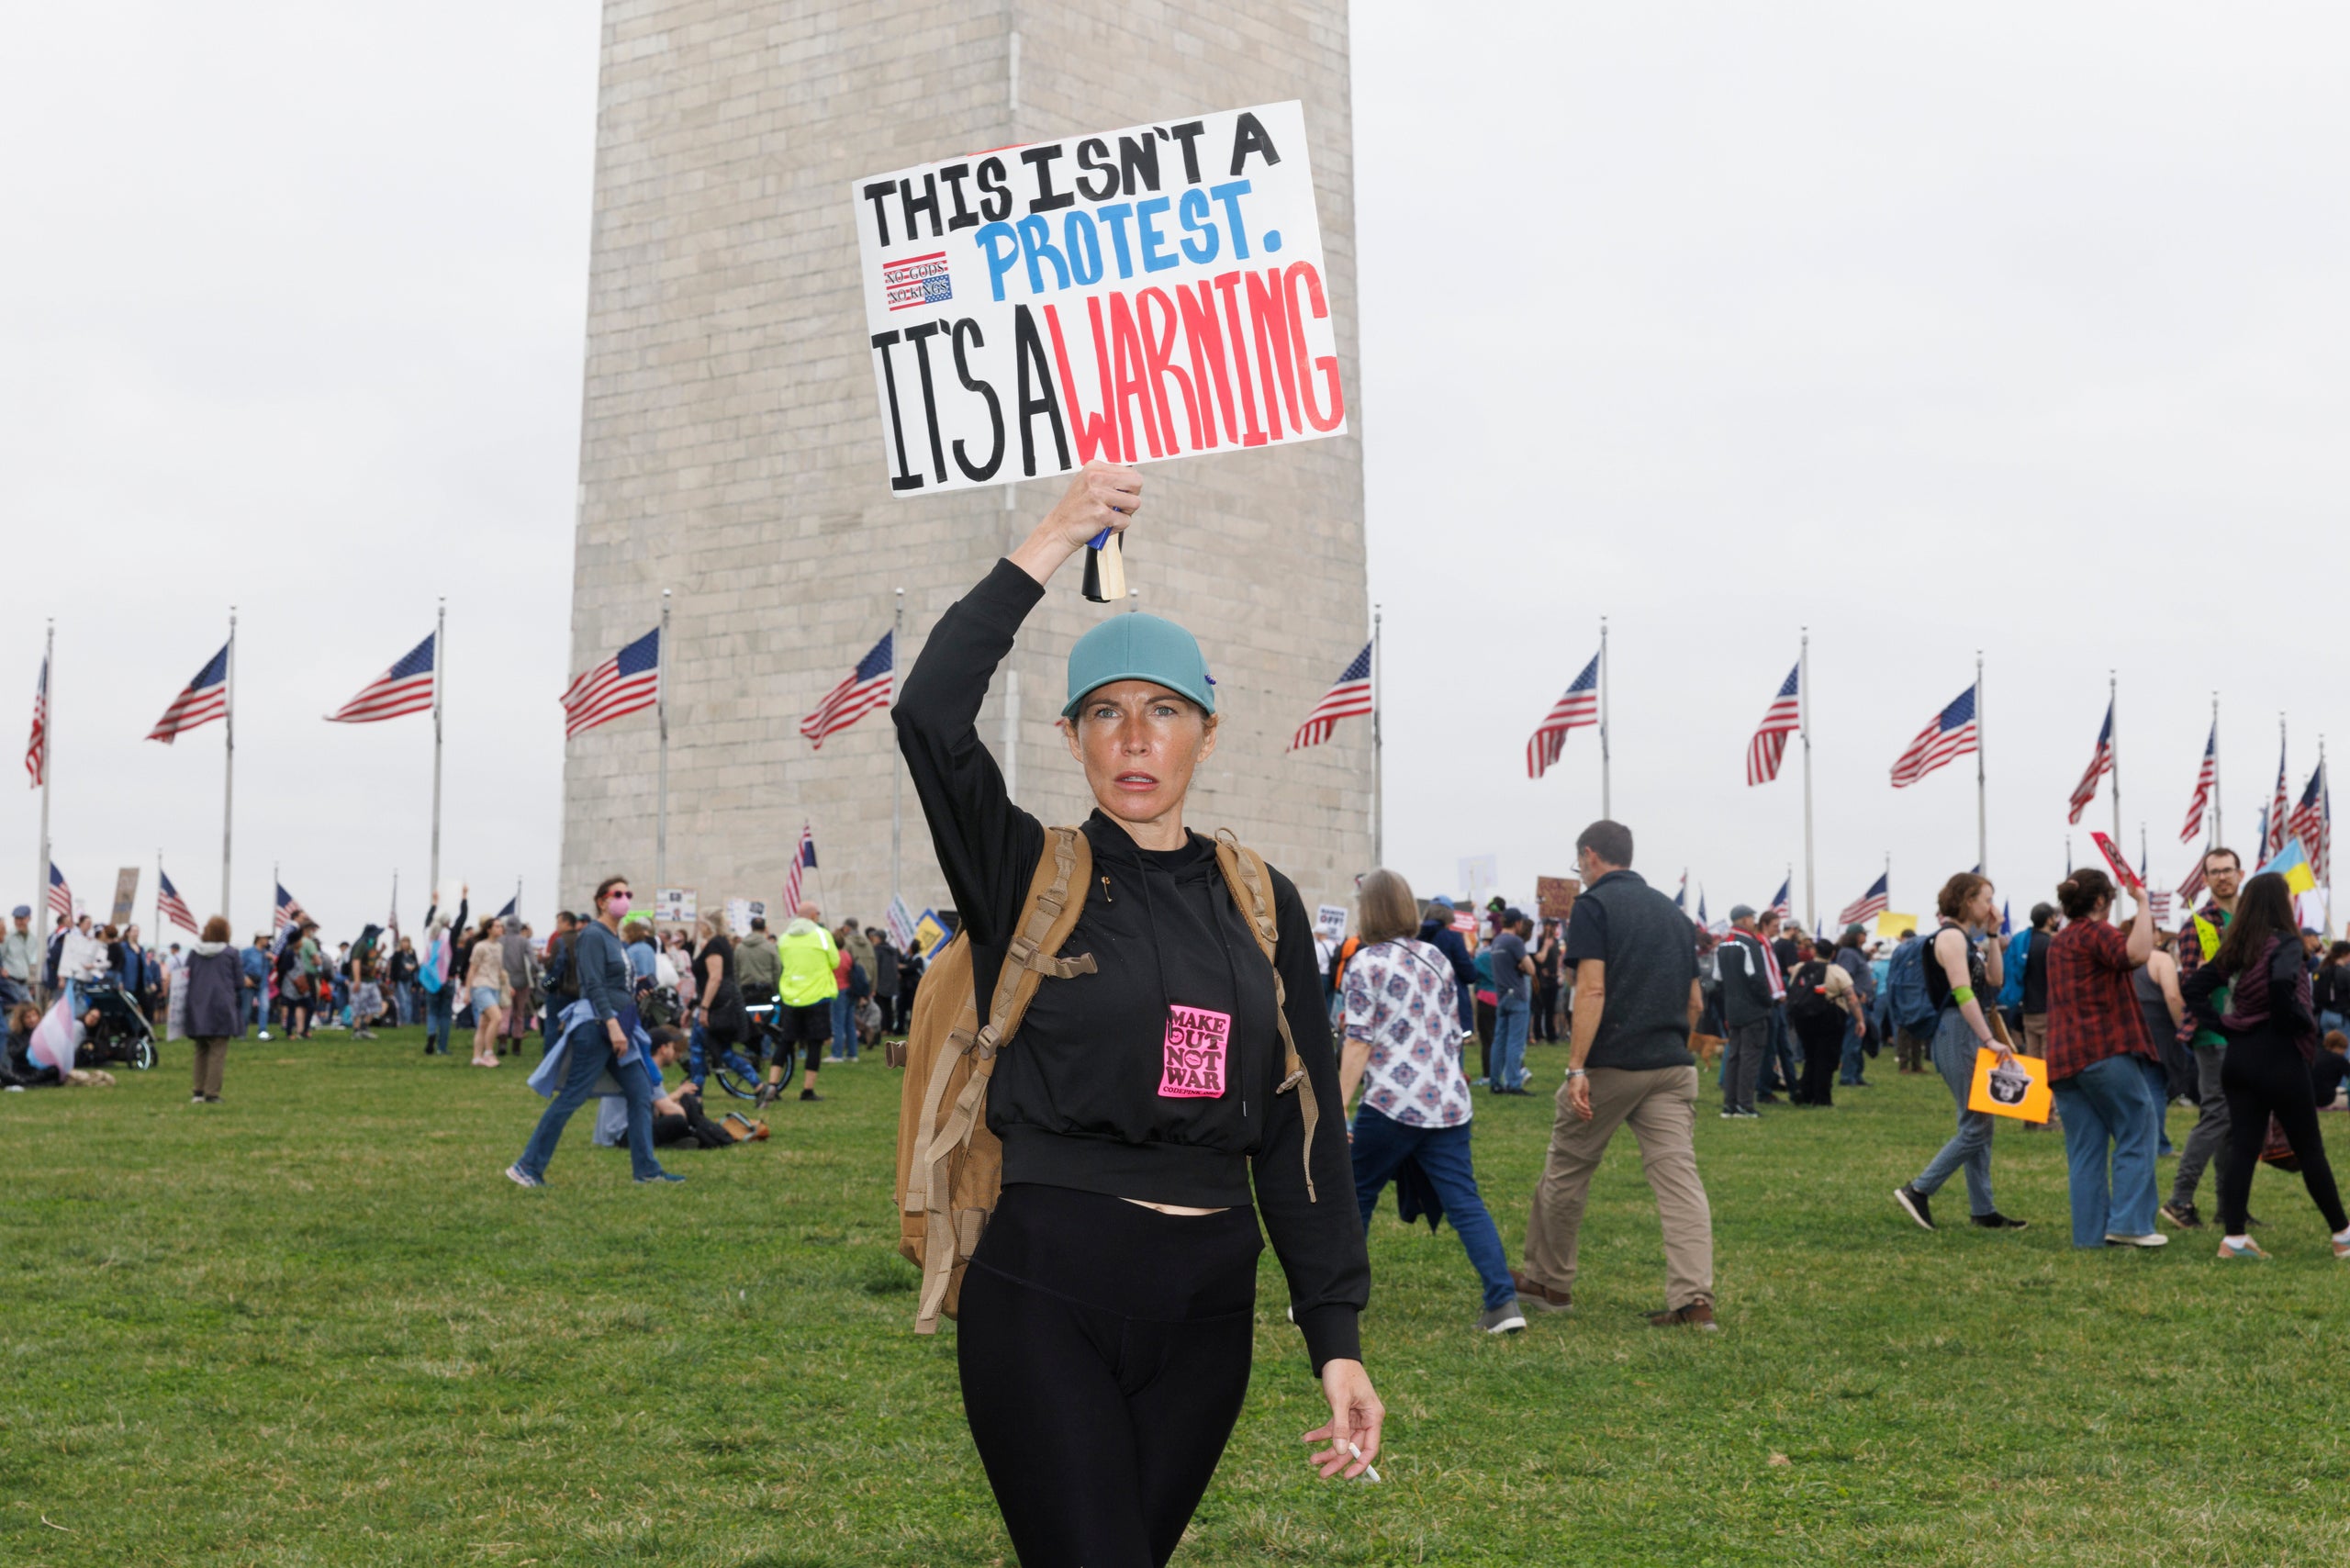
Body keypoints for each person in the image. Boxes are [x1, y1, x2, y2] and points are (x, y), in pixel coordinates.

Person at [892, 461, 1379, 1566]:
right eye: (1104, 715)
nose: (1134, 737)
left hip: (1206, 1315)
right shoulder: (1027, 872)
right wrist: (1050, 541)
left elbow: (1304, 1139)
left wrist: (1334, 1338)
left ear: (1206, 729)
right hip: (1044, 1293)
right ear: (1071, 740)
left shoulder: (1262, 902)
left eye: (1163, 711)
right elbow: (928, 714)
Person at [1511, 819, 1714, 1328]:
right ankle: (1695, 1301)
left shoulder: (1593, 905)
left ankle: (1549, 1282)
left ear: (1590, 855)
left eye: (1579, 862)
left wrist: (1576, 1066)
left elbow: (1592, 990)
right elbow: (1695, 1002)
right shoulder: (1675, 914)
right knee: (1680, 1184)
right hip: (1672, 1066)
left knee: (1567, 1170)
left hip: (1611, 1064)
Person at [1339, 868, 1522, 1334]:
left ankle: (1332, 1301)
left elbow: (1358, 1042)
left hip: (1392, 1102)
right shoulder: (1436, 958)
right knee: (1465, 1202)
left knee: (1354, 1195)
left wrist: (1337, 1106)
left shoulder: (1366, 963)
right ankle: (1503, 1303)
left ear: (1369, 910)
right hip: (1448, 1101)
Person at [2179, 870, 2350, 1261]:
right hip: (2280, 1057)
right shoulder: (2287, 943)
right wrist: (2296, 1022)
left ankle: (2235, 1239)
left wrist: (2221, 1024)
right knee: (2309, 1149)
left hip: (2238, 1057)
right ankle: (2342, 1235)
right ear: (2280, 903)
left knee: (2243, 1147)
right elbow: (2280, 985)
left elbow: (2192, 987)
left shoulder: (2236, 947)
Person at [509, 875, 677, 1187]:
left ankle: (647, 1171)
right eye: (618, 893)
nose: (625, 898)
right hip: (597, 1024)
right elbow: (590, 984)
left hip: (618, 1024)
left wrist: (632, 994)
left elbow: (609, 982)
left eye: (629, 892)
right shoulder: (591, 936)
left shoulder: (616, 939)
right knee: (572, 1097)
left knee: (641, 1094)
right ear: (602, 900)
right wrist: (545, 993)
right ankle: (527, 1166)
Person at [1894, 872, 2026, 1233]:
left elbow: (1996, 982)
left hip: (1967, 1028)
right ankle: (1919, 1189)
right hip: (1957, 1030)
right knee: (1978, 1125)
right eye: (1986, 899)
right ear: (1968, 900)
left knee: (1979, 1119)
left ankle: (1983, 1209)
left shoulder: (1969, 940)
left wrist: (1996, 936)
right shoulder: (1951, 937)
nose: (1991, 906)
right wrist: (1988, 1039)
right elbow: (1962, 993)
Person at [2042, 869, 2166, 1249]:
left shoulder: (2059, 942)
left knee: (2085, 1150)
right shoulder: (2096, 932)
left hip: (2064, 1060)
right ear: (2101, 902)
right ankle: (2130, 1225)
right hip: (2103, 1050)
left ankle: (2090, 1237)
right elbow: (2137, 953)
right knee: (2138, 1128)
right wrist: (2143, 902)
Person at [2163, 846, 2242, 1230]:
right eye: (2215, 872)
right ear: (2206, 879)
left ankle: (2230, 1207)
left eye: (2228, 870)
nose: (2222, 877)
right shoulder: (2200, 923)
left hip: (2246, 1032)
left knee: (2233, 1121)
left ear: (2240, 874)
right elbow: (2191, 981)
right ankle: (2179, 1201)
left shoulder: (2248, 918)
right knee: (2217, 1113)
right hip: (2213, 1031)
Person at [756, 903, 837, 1104]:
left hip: (791, 996)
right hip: (817, 995)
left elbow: (782, 961)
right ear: (812, 916)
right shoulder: (822, 935)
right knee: (815, 1043)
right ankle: (807, 1090)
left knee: (785, 1041)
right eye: (817, 913)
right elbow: (835, 961)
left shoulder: (784, 938)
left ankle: (773, 1084)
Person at [1714, 905, 1777, 1119]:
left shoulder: (1722, 944)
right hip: (1752, 1009)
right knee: (1750, 1058)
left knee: (1734, 1057)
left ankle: (1729, 1104)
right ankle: (1745, 1104)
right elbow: (1757, 979)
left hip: (1732, 1009)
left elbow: (1717, 980)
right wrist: (1767, 1002)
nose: (1753, 921)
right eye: (1752, 917)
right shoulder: (1749, 943)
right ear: (1743, 919)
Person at [1788, 939, 1865, 1108]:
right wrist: (1860, 1020)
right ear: (1833, 954)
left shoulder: (1801, 968)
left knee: (1810, 1054)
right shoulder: (1838, 972)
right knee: (1826, 1056)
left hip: (1804, 1016)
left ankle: (1805, 1091)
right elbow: (1851, 997)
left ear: (1814, 952)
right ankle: (1822, 1097)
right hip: (1830, 1015)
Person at [179, 915, 246, 1104]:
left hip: (197, 1004)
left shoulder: (194, 953)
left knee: (200, 1049)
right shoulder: (230, 953)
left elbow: (185, 976)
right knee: (217, 1050)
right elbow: (239, 982)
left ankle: (198, 1090)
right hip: (221, 1005)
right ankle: (212, 1092)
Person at [688, 913, 751, 1090]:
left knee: (707, 1048)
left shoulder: (714, 945)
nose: (699, 928)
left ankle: (696, 1091)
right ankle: (695, 1090)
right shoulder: (720, 943)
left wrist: (704, 1008)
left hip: (717, 1003)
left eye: (700, 924)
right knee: (708, 1047)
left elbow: (714, 978)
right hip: (721, 1000)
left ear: (708, 925)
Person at [1487, 908, 1535, 1095]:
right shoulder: (1514, 941)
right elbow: (1531, 969)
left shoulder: (1497, 940)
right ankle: (1514, 1083)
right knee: (1515, 1042)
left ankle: (1495, 1081)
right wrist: (1523, 965)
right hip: (1517, 995)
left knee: (1499, 1041)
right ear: (1517, 924)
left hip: (1501, 997)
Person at [1833, 926, 1878, 1087]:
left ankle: (1856, 1074)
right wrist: (1858, 992)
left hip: (1865, 1003)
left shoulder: (1856, 953)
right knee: (1852, 1039)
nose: (1865, 936)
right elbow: (1845, 976)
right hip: (1855, 1003)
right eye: (1863, 933)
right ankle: (1847, 1076)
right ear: (1855, 935)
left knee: (1858, 1040)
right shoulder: (1847, 953)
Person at [466, 916, 509, 1068]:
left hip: (495, 986)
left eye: (501, 926)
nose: (500, 929)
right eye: (497, 926)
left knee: (483, 1024)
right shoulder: (480, 947)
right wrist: (467, 991)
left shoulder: (499, 947)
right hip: (481, 986)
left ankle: (476, 1057)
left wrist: (506, 984)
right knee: (496, 1018)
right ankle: (488, 1053)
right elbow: (472, 969)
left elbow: (499, 969)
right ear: (489, 929)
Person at [2015, 902, 2057, 1057]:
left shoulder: (2024, 942)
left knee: (2032, 1055)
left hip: (2028, 1007)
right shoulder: (2051, 944)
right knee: (2048, 1057)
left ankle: (2033, 1082)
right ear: (2048, 920)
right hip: (2048, 1007)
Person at [735, 914, 780, 1014]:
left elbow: (736, 971)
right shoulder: (770, 947)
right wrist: (775, 989)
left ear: (751, 928)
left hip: (746, 991)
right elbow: (777, 969)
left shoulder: (740, 948)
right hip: (766, 991)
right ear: (764, 928)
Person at [0, 906, 36, 1007]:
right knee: (16, 1013)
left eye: (21, 919)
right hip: (10, 982)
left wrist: (32, 984)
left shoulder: (33, 939)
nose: (18, 922)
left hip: (24, 984)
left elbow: (28, 961)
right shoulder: (7, 936)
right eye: (16, 919)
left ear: (28, 919)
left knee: (31, 1010)